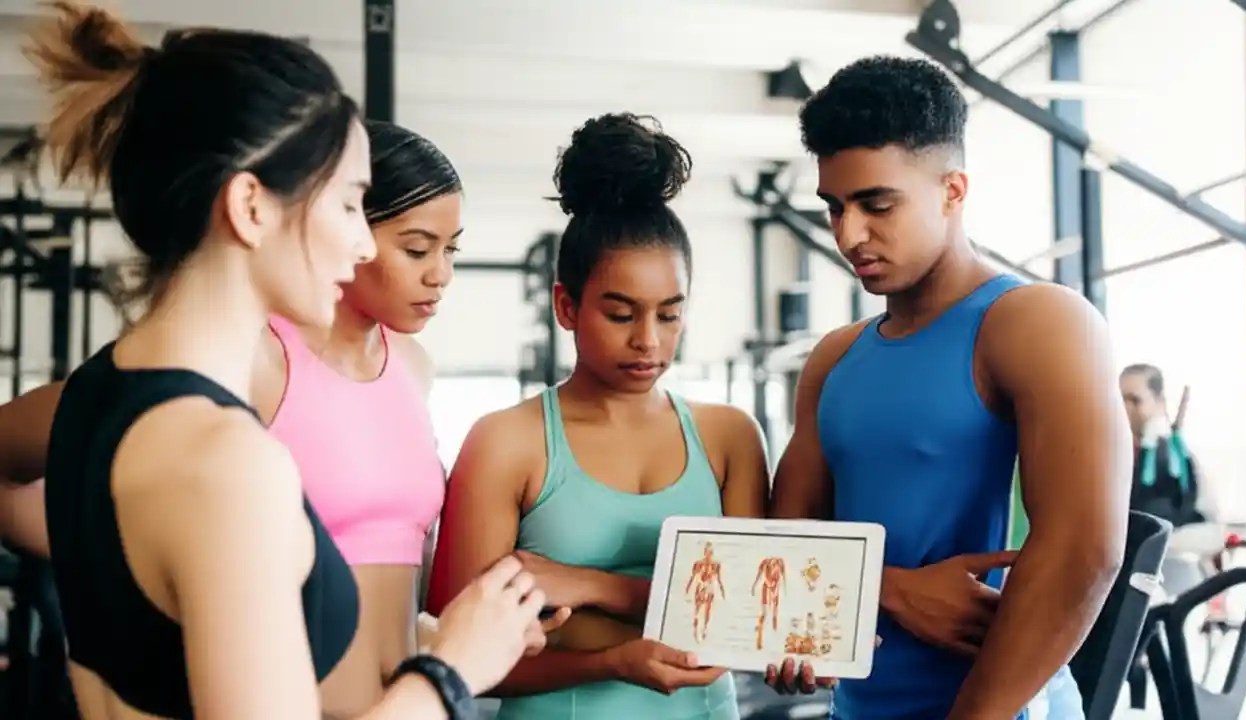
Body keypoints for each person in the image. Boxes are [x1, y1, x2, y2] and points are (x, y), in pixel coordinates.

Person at [22, 3, 546, 718]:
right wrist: (450, 673)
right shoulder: (230, 463)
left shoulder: (100, 401)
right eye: (350, 206)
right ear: (250, 207)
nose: (363, 245)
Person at [764, 56, 1130, 719]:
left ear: (953, 190)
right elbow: (790, 542)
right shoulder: (835, 357)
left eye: (877, 204)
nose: (849, 234)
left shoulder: (1036, 323)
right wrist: (886, 588)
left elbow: (1086, 551)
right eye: (834, 207)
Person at [426, 113, 770, 719]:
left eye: (669, 314)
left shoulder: (730, 437)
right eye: (620, 314)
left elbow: (750, 614)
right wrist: (611, 662)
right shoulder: (505, 442)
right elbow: (455, 659)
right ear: (567, 305)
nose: (648, 340)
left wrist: (591, 585)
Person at [1120, 363, 1213, 528]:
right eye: (1120, 400)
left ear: (1160, 402)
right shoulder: (1109, 455)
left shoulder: (1177, 456)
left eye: (1135, 400)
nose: (1126, 408)